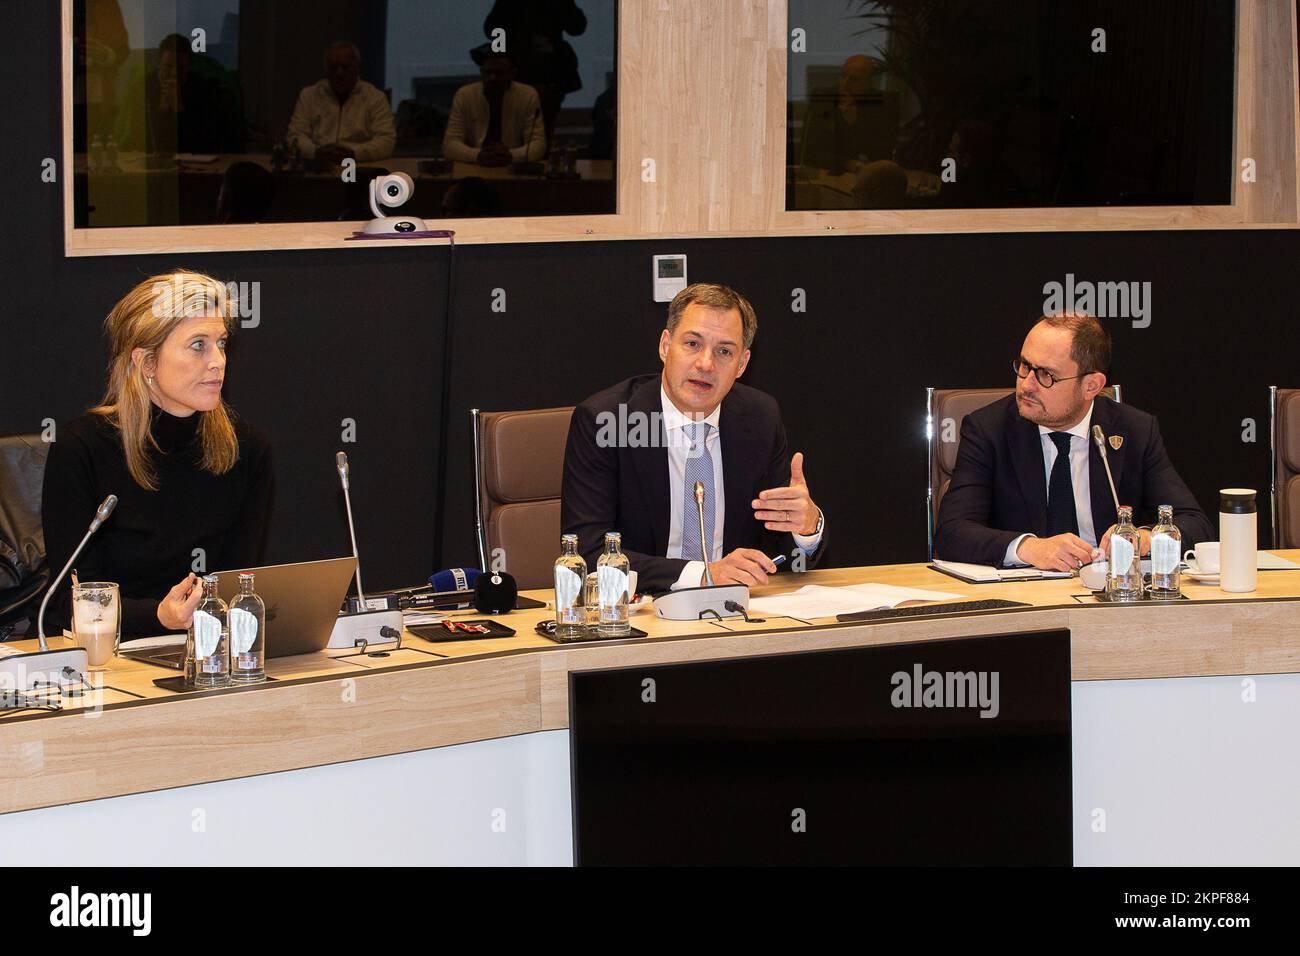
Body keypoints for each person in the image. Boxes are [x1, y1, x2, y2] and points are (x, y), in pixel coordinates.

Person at [41, 271, 273, 637]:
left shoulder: (246, 449)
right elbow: (72, 604)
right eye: (199, 345)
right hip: (103, 654)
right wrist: (158, 616)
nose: (218, 361)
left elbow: (236, 584)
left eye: (222, 343)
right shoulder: (82, 448)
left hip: (204, 651)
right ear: (147, 363)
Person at [562, 284, 826, 594]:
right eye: (692, 343)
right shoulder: (608, 421)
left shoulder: (760, 418)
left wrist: (807, 526)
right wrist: (703, 574)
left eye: (724, 351)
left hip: (736, 614)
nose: (706, 364)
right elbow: (587, 554)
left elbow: (781, 550)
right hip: (643, 614)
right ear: (665, 346)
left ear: (742, 364)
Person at [934, 313, 1212, 571]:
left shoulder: (1134, 430)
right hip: (1025, 596)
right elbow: (951, 533)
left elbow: (1195, 525)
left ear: (1091, 385)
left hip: (1109, 596)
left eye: (1046, 375)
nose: (1026, 384)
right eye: (1024, 366)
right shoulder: (989, 429)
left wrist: (1144, 538)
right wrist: (1029, 547)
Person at [287, 42, 395, 165]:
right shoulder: (309, 96)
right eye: (333, 68)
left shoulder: (375, 98)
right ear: (326, 70)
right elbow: (295, 136)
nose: (339, 73)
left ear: (357, 68)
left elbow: (386, 141)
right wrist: (315, 152)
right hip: (318, 168)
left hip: (360, 169)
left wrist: (354, 153)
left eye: (345, 67)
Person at [442, 51, 546, 167]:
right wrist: (478, 155)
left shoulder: (527, 95)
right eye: (488, 72)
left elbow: (538, 144)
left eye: (499, 73)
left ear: (513, 73)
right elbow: (449, 144)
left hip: (511, 167)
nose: (492, 77)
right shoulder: (465, 95)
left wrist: (511, 155)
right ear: (481, 72)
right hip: (475, 168)